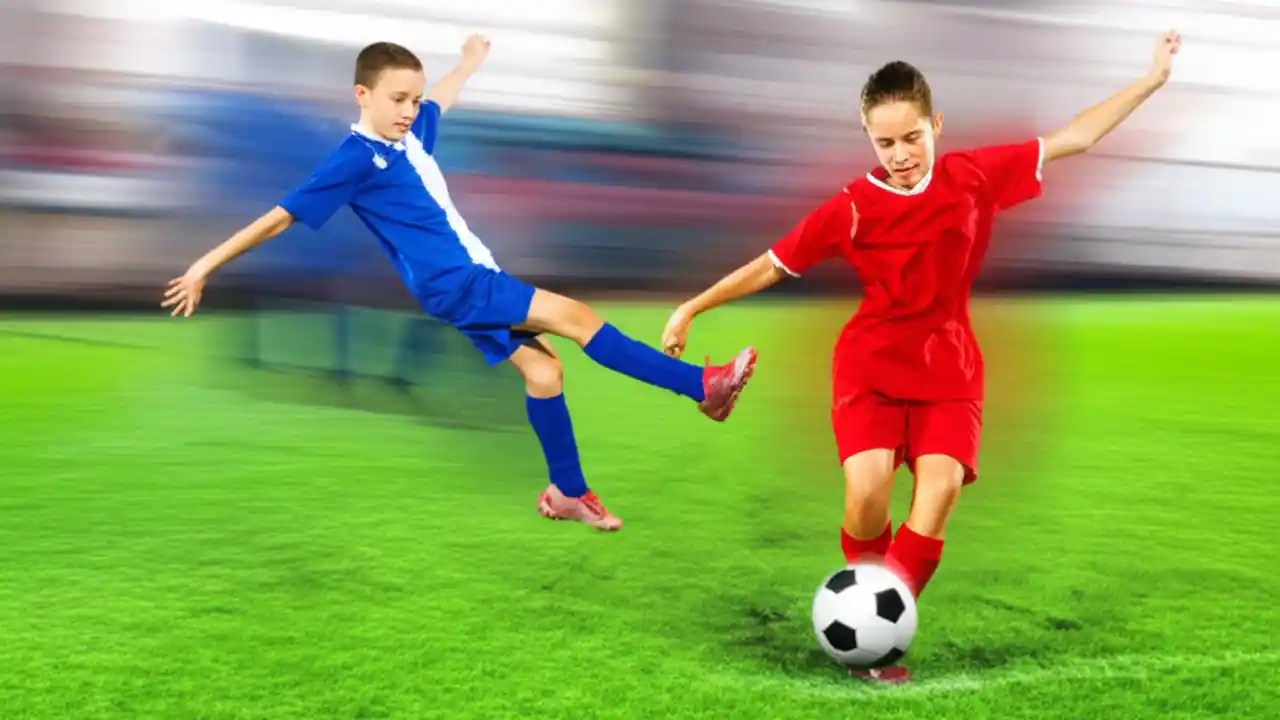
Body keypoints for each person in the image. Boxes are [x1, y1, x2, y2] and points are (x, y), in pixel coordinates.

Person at [662, 31, 1182, 682]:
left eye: (912, 137)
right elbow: (772, 265)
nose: (901, 154)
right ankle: (873, 619)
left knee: (937, 495)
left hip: (950, 369)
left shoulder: (975, 176)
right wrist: (691, 308)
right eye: (885, 142)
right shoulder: (851, 209)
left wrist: (1152, 79)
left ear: (935, 124)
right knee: (866, 497)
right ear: (868, 139)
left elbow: (1077, 137)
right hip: (870, 367)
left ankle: (876, 642)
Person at [162, 36, 758, 532]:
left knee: (546, 374)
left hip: (471, 278)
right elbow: (280, 216)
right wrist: (202, 266)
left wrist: (468, 62)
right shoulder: (353, 158)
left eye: (413, 99)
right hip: (457, 283)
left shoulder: (411, 134)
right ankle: (701, 387)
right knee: (576, 317)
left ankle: (567, 492)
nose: (409, 109)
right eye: (397, 99)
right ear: (362, 95)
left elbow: (442, 98)